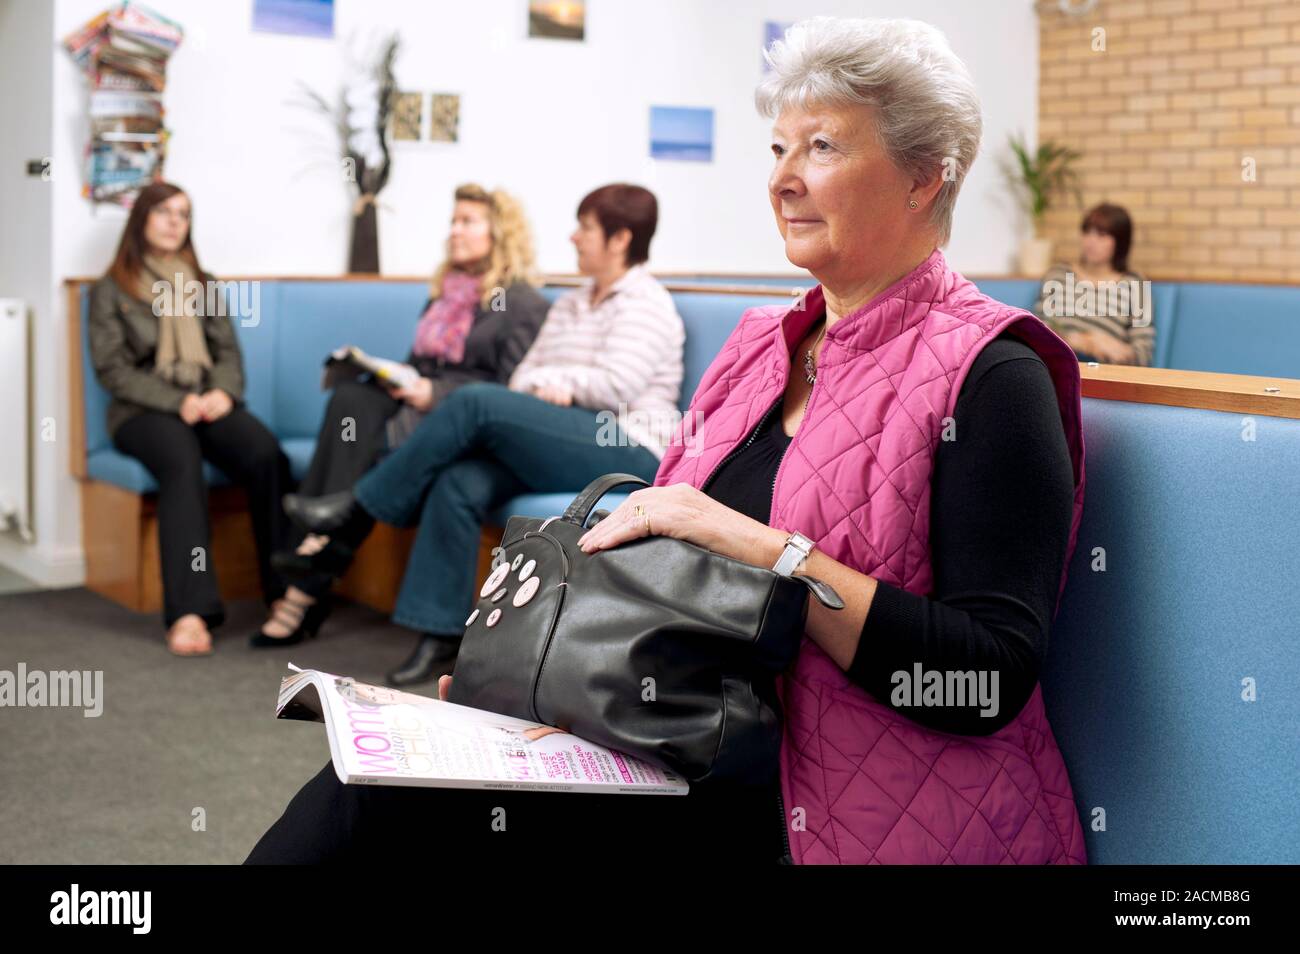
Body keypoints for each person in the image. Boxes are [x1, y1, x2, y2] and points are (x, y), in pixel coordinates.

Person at [247, 17, 1088, 865]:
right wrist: (540, 679)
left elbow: (988, 679)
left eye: (823, 148)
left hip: (832, 801)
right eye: (777, 150)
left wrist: (773, 555)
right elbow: (667, 581)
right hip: (685, 744)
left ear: (922, 178)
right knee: (374, 791)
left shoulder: (994, 373)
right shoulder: (761, 344)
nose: (783, 181)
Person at [274, 183, 685, 687]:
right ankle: (441, 631)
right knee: (460, 479)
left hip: (623, 445)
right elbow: (525, 377)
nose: (573, 237)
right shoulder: (573, 304)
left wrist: (556, 384)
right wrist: (548, 385)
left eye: (586, 227)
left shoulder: (646, 302)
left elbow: (614, 385)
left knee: (472, 402)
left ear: (620, 238)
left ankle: (354, 510)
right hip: (563, 436)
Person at [251, 183, 548, 646]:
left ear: (501, 232)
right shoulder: (445, 293)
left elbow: (511, 393)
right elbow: (423, 363)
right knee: (352, 396)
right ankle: (316, 554)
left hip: (463, 425)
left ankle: (306, 574)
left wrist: (437, 391)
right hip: (417, 409)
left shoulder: (523, 303)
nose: (455, 231)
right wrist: (397, 375)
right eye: (453, 221)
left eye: (468, 221)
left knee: (367, 426)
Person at [88, 182, 293, 656]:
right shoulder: (111, 289)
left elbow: (227, 354)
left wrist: (222, 391)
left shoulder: (203, 283)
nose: (174, 221)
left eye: (183, 214)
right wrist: (173, 400)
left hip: (206, 401)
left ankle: (284, 592)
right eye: (163, 212)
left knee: (265, 453)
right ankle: (189, 611)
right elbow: (112, 370)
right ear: (141, 219)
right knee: (181, 461)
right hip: (143, 413)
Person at [1030, 204, 1155, 366]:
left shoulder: (1135, 284)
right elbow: (1037, 332)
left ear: (1120, 242)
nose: (1091, 241)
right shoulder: (1058, 275)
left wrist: (1112, 347)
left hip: (1107, 377)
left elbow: (1143, 355)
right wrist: (1081, 340)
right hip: (1055, 369)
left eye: (1102, 235)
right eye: (1087, 232)